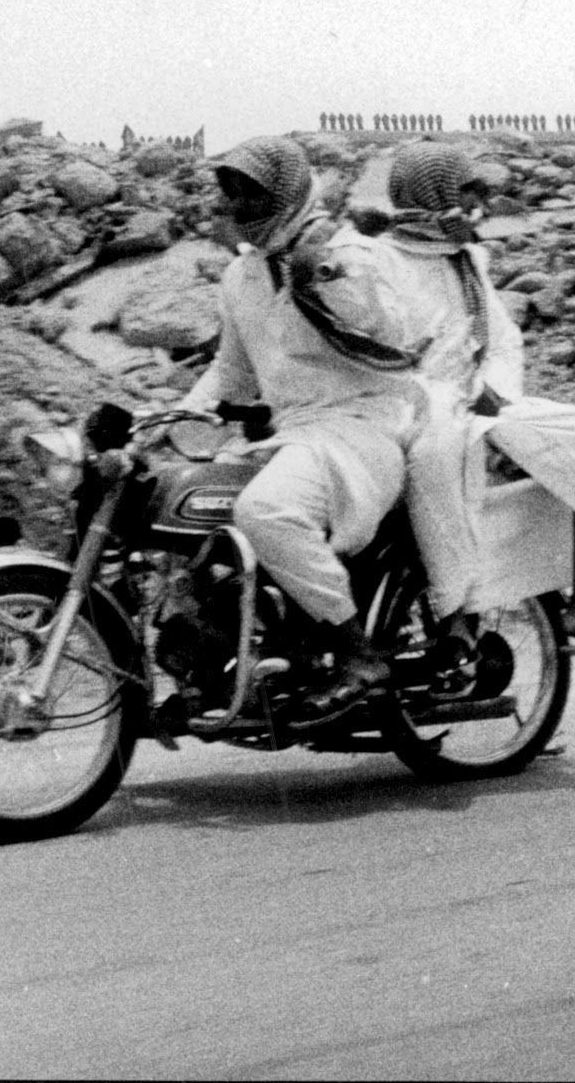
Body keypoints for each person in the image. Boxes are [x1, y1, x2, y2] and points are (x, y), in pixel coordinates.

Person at [180, 136, 429, 720]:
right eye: (230, 190)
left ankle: (356, 653)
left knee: (265, 510)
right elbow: (230, 373)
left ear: (285, 191)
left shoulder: (343, 251)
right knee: (185, 505)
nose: (237, 203)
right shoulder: (241, 277)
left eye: (251, 191)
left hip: (359, 426)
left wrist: (328, 275)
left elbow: (390, 328)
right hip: (293, 433)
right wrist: (172, 419)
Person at [376, 142, 575, 659]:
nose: (478, 203)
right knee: (444, 460)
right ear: (433, 194)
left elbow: (502, 341)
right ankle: (455, 620)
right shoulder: (381, 261)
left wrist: (495, 394)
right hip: (418, 407)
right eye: (466, 191)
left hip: (480, 398)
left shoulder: (468, 259)